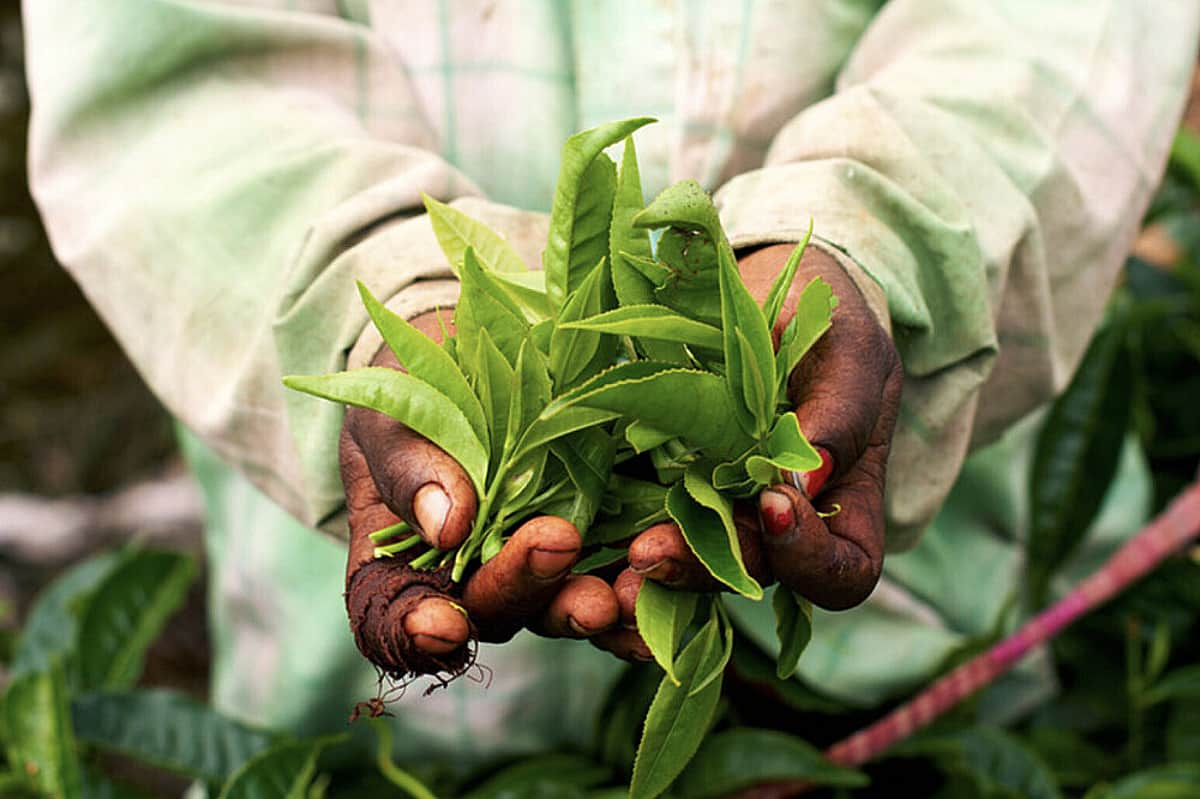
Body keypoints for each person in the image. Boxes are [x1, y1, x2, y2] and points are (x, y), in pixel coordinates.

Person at [24, 0, 1200, 766]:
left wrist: (873, 249)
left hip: (937, 636)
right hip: (362, 697)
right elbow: (170, 86)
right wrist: (378, 309)